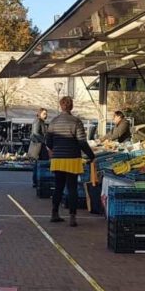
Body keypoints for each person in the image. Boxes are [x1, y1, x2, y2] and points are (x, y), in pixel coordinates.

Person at [44, 96, 95, 227]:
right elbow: (82, 142)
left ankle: (54, 213)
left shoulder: (53, 122)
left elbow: (48, 142)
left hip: (58, 159)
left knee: (58, 187)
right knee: (72, 188)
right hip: (72, 159)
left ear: (61, 106)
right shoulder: (76, 122)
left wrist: (56, 148)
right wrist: (91, 155)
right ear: (71, 106)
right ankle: (72, 217)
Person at [30, 108, 49, 188]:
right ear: (40, 114)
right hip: (39, 146)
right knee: (40, 163)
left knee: (39, 163)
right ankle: (37, 181)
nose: (46, 115)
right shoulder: (38, 121)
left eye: (46, 114)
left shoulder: (41, 122)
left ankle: (37, 181)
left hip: (40, 145)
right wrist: (44, 140)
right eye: (44, 113)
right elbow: (35, 133)